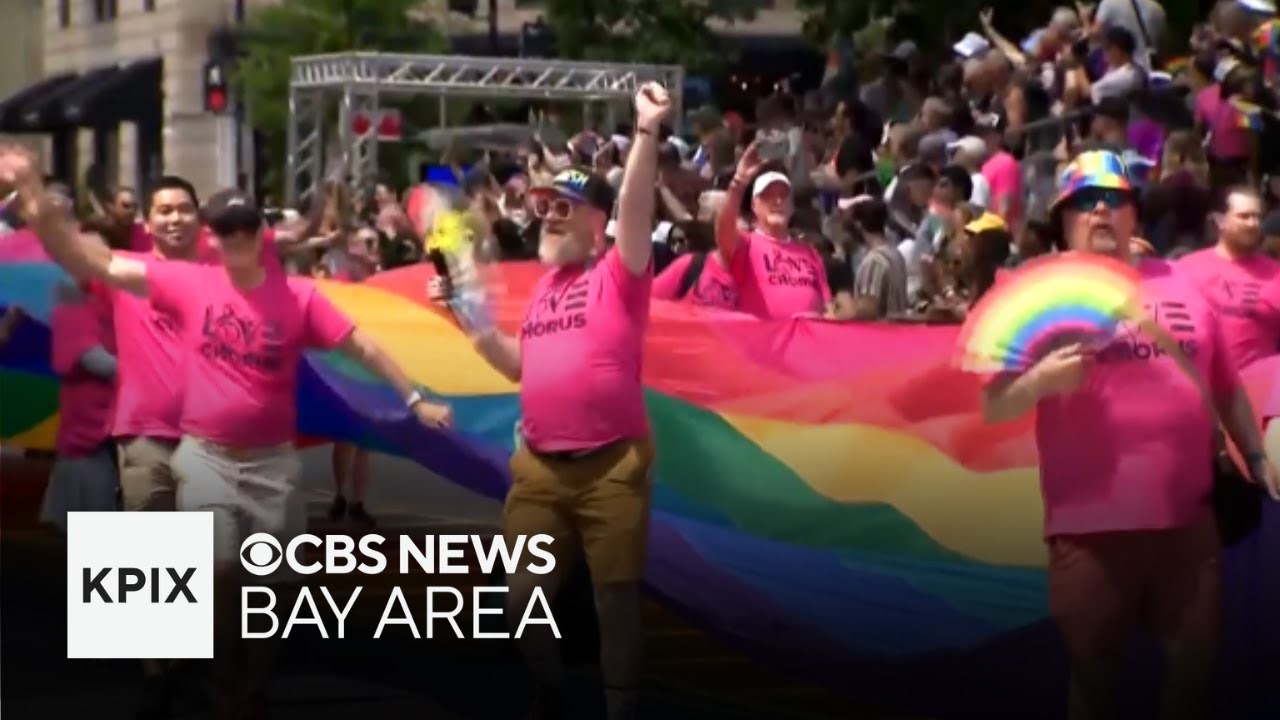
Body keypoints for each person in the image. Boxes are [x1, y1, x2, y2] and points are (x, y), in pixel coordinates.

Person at [9, 155, 453, 720]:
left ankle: (223, 679)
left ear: (204, 223)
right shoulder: (145, 273)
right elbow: (75, 256)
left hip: (236, 449)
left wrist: (326, 202)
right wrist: (32, 192)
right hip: (151, 432)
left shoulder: (248, 277)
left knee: (236, 574)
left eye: (185, 211)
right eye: (162, 211)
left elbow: (303, 253)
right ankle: (163, 677)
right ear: (148, 221)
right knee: (148, 563)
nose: (175, 220)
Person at [978, 150, 1279, 720]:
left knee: (1195, 661)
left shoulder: (1182, 281)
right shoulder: (1038, 293)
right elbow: (994, 407)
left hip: (1187, 521)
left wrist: (1258, 456)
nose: (1101, 211)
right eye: (1086, 203)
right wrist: (1041, 379)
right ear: (1064, 220)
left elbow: (1226, 384)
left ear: (1134, 216)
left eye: (1115, 201)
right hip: (1091, 529)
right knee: (1095, 677)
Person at [433, 83, 668, 720]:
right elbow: (519, 366)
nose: (549, 216)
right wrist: (463, 318)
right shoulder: (543, 292)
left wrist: (646, 131)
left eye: (565, 207)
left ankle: (620, 711)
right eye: (544, 206)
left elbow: (638, 208)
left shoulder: (619, 277)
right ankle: (552, 692)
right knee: (519, 600)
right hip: (538, 468)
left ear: (599, 224)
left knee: (613, 599)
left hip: (611, 466)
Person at [1178, 186, 1280, 370]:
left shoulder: (1275, 273)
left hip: (1258, 391)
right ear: (1220, 221)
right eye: (1244, 216)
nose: (1253, 223)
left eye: (1257, 217)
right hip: (1201, 387)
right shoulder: (1186, 268)